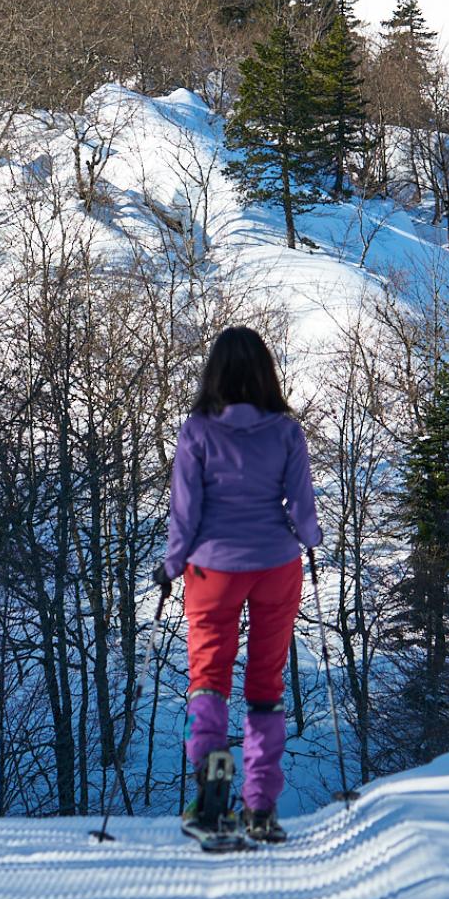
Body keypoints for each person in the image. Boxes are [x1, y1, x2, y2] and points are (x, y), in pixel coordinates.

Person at [159, 325, 321, 845]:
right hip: (276, 565)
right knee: (266, 683)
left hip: (212, 571)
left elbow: (185, 514)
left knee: (209, 678)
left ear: (215, 374)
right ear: (265, 374)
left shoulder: (198, 432)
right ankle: (261, 807)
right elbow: (301, 507)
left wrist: (170, 565)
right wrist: (310, 541)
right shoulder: (286, 432)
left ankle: (212, 794)